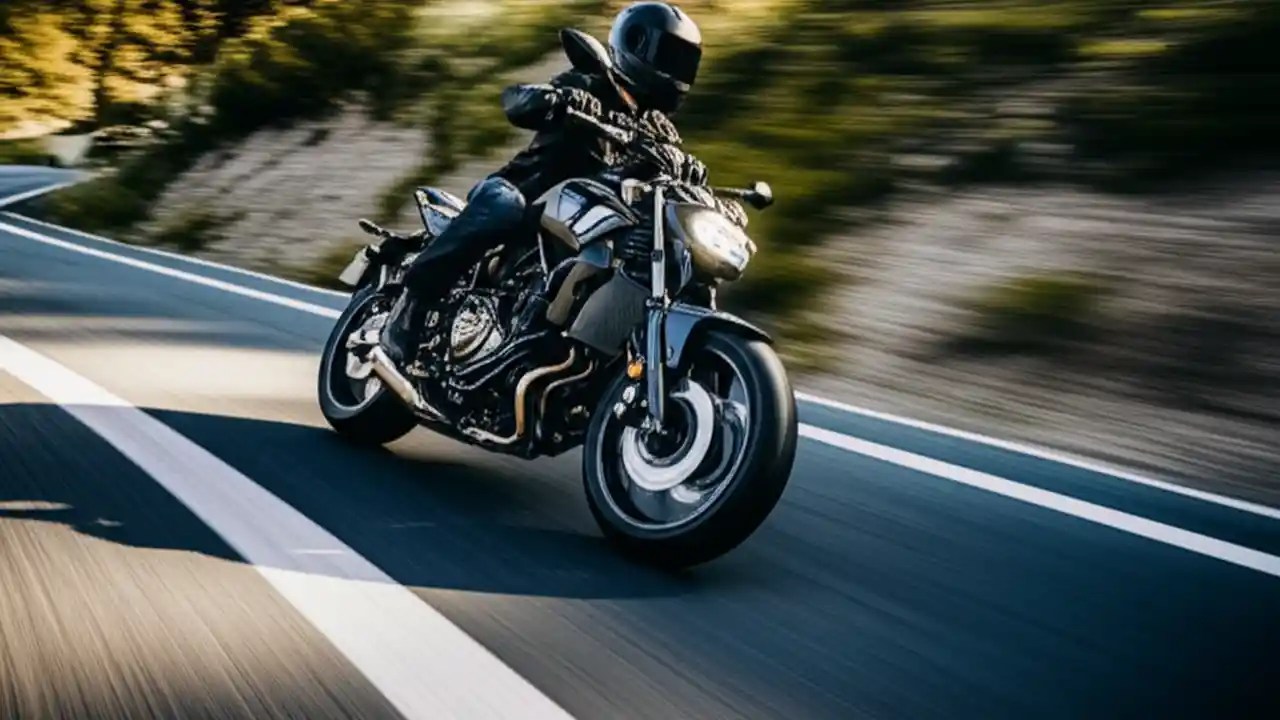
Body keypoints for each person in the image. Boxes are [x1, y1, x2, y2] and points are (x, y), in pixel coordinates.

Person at [378, 1, 706, 365]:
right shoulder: (588, 84)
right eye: (668, 55)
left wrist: (687, 169)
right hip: (529, 191)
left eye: (682, 60)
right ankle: (412, 305)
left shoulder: (659, 130)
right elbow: (516, 101)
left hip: (593, 220)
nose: (674, 69)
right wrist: (558, 100)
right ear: (637, 42)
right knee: (505, 207)